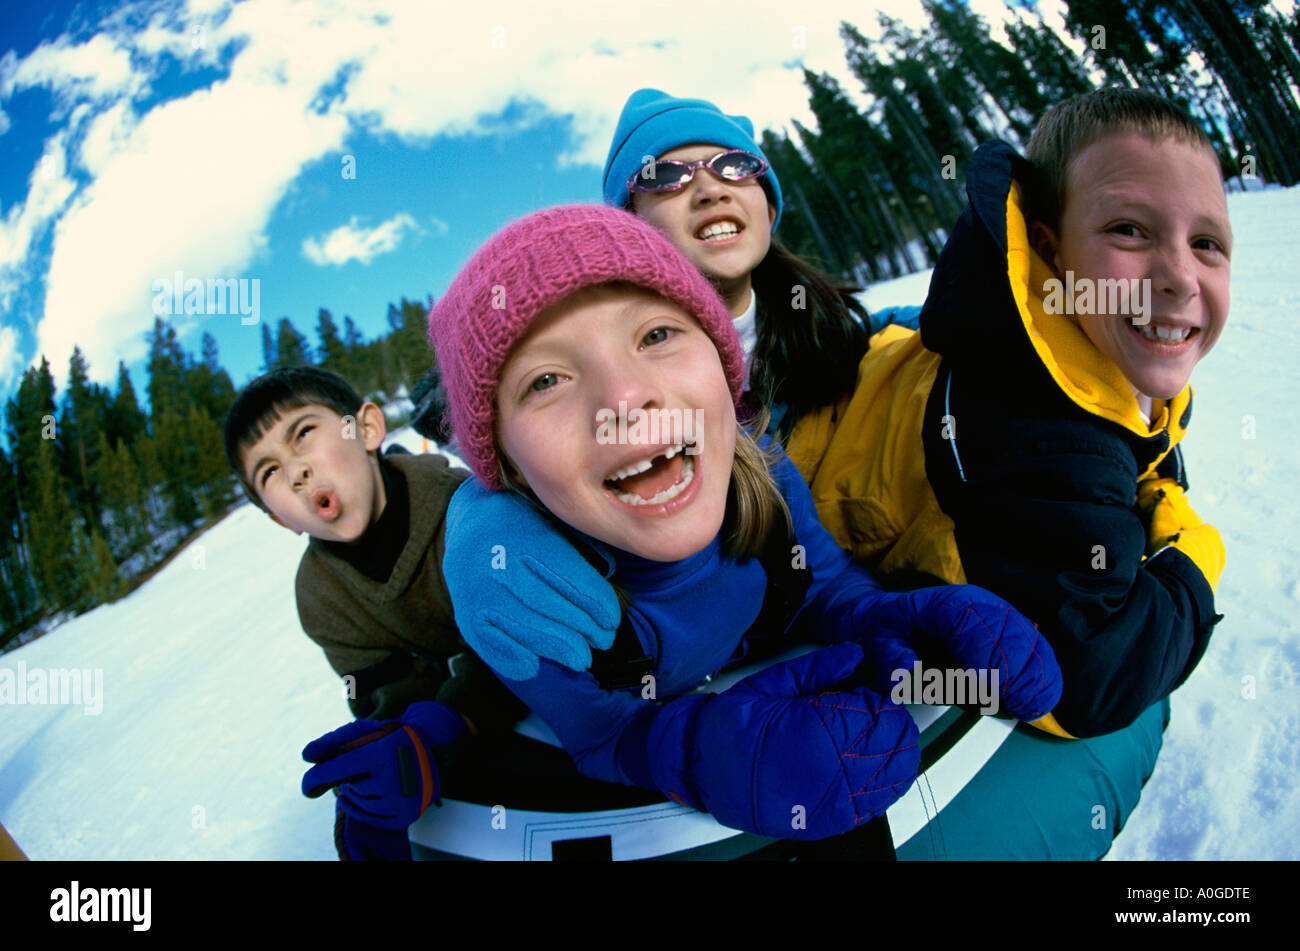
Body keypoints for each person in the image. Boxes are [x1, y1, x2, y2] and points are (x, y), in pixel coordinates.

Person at [441, 88, 1204, 859]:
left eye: (735, 163)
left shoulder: (863, 344)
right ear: (626, 220)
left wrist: (895, 619)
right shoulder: (580, 473)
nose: (708, 185)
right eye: (665, 175)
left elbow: (831, 561)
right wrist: (484, 515)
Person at [426, 203, 1062, 841]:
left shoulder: (767, 475)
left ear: (723, 361)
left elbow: (824, 584)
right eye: (546, 380)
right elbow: (602, 734)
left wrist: (897, 619)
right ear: (505, 462)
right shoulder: (526, 600)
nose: (624, 399)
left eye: (655, 335)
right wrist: (713, 753)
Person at [222, 367, 525, 860]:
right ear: (279, 518)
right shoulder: (320, 597)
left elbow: (523, 632)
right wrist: (392, 747)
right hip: (480, 743)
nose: (295, 471)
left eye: (303, 434)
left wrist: (449, 723)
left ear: (366, 429)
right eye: (269, 472)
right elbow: (383, 691)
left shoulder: (468, 507)